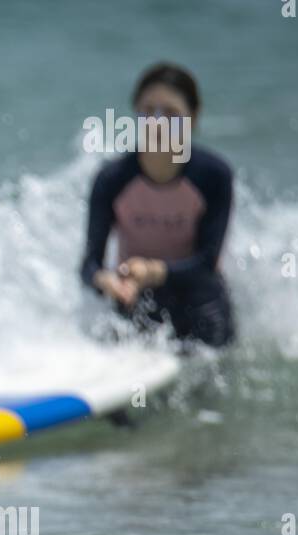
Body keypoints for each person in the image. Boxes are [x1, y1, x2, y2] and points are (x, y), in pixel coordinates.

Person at [80, 63, 235, 348]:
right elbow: (89, 266)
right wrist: (107, 282)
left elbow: (207, 262)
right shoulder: (111, 179)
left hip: (199, 298)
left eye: (171, 114)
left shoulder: (213, 176)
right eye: (148, 111)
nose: (157, 122)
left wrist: (154, 271)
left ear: (194, 117)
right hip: (136, 296)